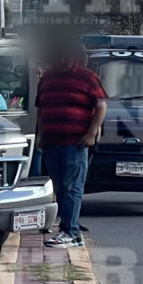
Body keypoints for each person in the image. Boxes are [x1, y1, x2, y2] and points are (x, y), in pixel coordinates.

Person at [36, 43, 107, 248]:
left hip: (75, 142)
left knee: (72, 186)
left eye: (66, 57)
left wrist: (91, 133)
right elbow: (41, 107)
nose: (62, 61)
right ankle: (67, 226)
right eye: (58, 58)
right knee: (59, 187)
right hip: (51, 142)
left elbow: (101, 106)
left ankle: (71, 232)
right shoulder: (48, 78)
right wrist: (40, 134)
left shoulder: (87, 77)